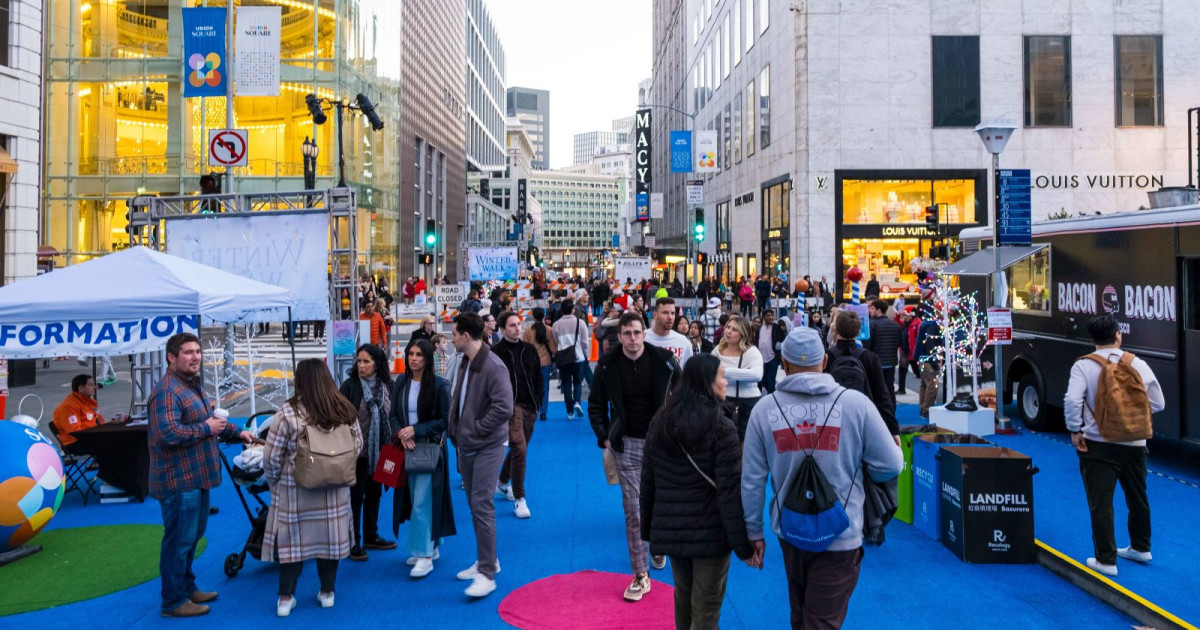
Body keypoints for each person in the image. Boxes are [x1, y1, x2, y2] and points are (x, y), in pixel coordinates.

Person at [742, 326, 904, 628]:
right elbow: (892, 465)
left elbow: (752, 479)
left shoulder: (764, 410)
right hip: (842, 534)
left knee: (801, 615)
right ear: (824, 362)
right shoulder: (856, 404)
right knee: (820, 621)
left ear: (783, 363)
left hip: (790, 530)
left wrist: (753, 532)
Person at [642, 354, 754, 629]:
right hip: (710, 531)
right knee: (707, 604)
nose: (726, 382)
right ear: (708, 381)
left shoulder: (662, 419)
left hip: (672, 525)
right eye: (722, 376)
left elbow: (649, 480)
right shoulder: (721, 426)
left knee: (683, 595)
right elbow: (729, 492)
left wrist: (649, 528)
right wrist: (744, 544)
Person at [149, 333, 254, 618]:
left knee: (193, 537)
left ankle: (187, 587)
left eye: (197, 351)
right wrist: (207, 428)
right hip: (178, 479)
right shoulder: (167, 392)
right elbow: (168, 433)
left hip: (197, 477)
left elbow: (211, 420)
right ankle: (172, 602)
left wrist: (236, 431)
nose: (195, 357)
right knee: (178, 541)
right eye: (187, 352)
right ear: (171, 357)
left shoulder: (192, 385)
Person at [588, 312, 680, 602]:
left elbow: (680, 398)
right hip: (625, 442)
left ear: (644, 333)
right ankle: (641, 575)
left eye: (636, 333)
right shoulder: (607, 364)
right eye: (626, 334)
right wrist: (604, 434)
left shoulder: (664, 360)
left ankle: (659, 544)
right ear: (620, 336)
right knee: (633, 511)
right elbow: (595, 404)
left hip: (662, 442)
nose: (632, 339)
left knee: (661, 502)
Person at [1064, 315, 1165, 577]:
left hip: (1098, 444)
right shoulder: (1136, 363)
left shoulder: (1083, 366)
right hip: (1135, 442)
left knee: (1102, 502)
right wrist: (1132, 418)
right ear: (1118, 335)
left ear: (1093, 339)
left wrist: (1076, 431)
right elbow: (1158, 403)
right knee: (1137, 496)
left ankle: (1106, 560)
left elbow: (1073, 401)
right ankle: (1141, 547)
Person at [262, 359, 362, 617]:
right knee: (329, 541)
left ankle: (285, 598)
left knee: (292, 545)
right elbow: (357, 446)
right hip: (334, 490)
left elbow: (271, 456)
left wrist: (275, 481)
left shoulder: (288, 412)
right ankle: (327, 592)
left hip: (295, 489)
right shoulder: (345, 409)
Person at [447, 313, 513, 598]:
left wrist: (475, 429)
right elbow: (459, 399)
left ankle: (487, 572)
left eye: (453, 334)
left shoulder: (493, 366)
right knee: (475, 505)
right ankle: (488, 560)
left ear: (465, 335)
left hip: (488, 445)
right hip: (467, 444)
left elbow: (503, 408)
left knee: (482, 504)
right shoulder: (466, 361)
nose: (451, 339)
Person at [389, 339, 455, 578]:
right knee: (416, 498)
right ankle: (431, 546)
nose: (413, 358)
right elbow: (394, 414)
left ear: (427, 358)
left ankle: (424, 554)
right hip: (407, 447)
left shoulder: (439, 385)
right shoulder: (402, 382)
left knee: (422, 500)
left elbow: (444, 420)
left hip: (429, 449)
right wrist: (401, 433)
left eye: (418, 354)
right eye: (410, 354)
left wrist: (416, 430)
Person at [337, 344, 397, 561]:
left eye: (366, 362)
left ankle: (371, 535)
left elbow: (394, 414)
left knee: (375, 493)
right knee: (355, 496)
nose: (361, 366)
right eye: (359, 361)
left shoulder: (389, 385)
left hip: (383, 451)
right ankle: (353, 541)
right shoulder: (350, 386)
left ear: (377, 364)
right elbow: (338, 416)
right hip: (356, 453)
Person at [492, 311, 544, 519]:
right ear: (503, 329)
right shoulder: (495, 353)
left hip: (530, 405)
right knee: (519, 448)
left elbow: (538, 377)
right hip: (510, 408)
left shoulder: (529, 350)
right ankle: (520, 498)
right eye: (512, 325)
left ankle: (503, 482)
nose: (517, 328)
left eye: (518, 324)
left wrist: (539, 400)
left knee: (518, 449)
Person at [824, 310, 899, 439]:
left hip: (832, 418)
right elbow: (882, 395)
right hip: (863, 417)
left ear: (835, 330)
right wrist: (893, 429)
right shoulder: (870, 357)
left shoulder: (826, 356)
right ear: (859, 332)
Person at [714, 315, 764, 442]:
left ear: (743, 334)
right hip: (722, 399)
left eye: (734, 329)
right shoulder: (718, 350)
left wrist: (724, 372)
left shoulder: (752, 352)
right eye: (728, 327)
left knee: (746, 439)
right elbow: (710, 372)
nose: (728, 331)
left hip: (748, 401)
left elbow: (757, 375)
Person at [53, 374, 114, 454]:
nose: (94, 387)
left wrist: (110, 425)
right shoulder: (68, 407)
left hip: (90, 437)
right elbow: (76, 432)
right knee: (112, 443)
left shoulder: (88, 402)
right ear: (81, 388)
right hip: (75, 443)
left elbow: (100, 421)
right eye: (91, 385)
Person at [552, 298, 589, 420]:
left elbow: (556, 341)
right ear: (573, 309)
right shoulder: (580, 323)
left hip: (563, 358)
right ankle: (577, 402)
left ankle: (570, 411)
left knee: (566, 384)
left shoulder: (556, 325)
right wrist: (585, 354)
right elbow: (585, 343)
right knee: (578, 382)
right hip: (578, 356)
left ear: (562, 310)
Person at [863, 299, 904, 404]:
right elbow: (900, 343)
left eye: (872, 309)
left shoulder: (871, 325)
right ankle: (891, 410)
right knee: (889, 388)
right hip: (890, 362)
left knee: (876, 389)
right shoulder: (895, 325)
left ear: (878, 310)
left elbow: (867, 345)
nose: (870, 311)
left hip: (876, 362)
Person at [522, 307, 558, 422]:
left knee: (532, 386)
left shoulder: (528, 331)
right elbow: (553, 348)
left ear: (533, 317)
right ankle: (543, 411)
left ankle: (534, 408)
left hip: (532, 362)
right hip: (546, 362)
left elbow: (524, 347)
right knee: (545, 387)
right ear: (544, 316)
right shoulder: (549, 330)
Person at [644, 297, 693, 368]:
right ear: (655, 315)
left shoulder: (683, 341)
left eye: (672, 313)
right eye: (665, 313)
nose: (670, 317)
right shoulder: (642, 337)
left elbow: (689, 372)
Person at [914, 305, 943, 418]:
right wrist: (934, 363)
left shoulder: (927, 323)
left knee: (924, 384)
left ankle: (923, 408)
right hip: (927, 358)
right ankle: (927, 409)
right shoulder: (933, 326)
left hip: (922, 357)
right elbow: (930, 346)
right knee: (932, 385)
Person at [756, 309, 788, 395]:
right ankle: (773, 394)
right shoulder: (759, 328)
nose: (770, 317)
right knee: (763, 380)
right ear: (763, 317)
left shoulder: (776, 327)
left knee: (770, 382)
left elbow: (782, 338)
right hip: (762, 359)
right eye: (768, 316)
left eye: (771, 315)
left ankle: (771, 398)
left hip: (772, 358)